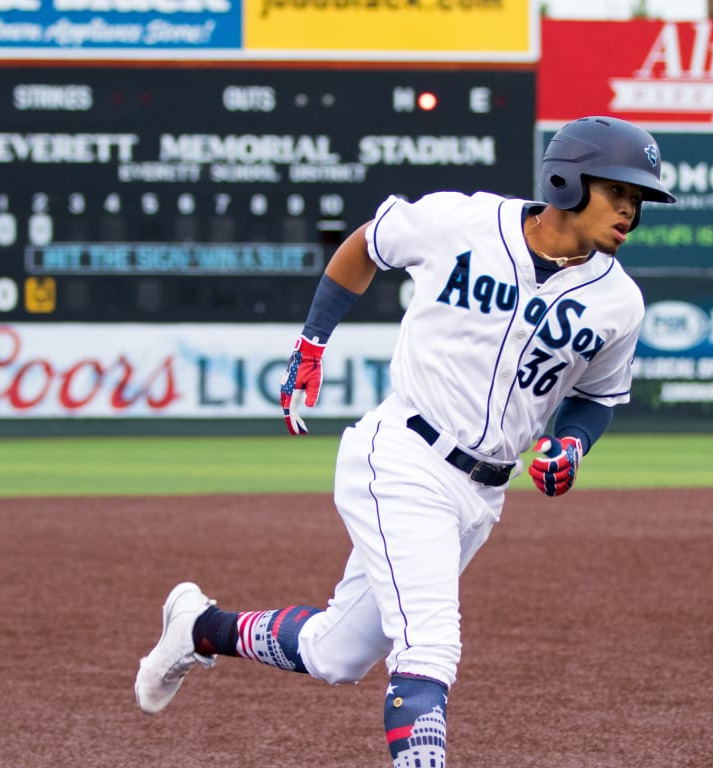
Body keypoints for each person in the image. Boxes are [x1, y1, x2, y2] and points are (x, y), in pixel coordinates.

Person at [133, 116, 674, 765]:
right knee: (430, 647)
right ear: (568, 180)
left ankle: (199, 627)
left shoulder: (619, 302)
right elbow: (368, 243)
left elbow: (598, 397)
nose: (630, 210)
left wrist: (574, 444)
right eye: (617, 190)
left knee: (336, 653)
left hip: (482, 495)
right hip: (405, 455)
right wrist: (312, 340)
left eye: (639, 198)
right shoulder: (461, 223)